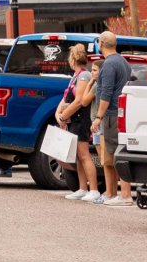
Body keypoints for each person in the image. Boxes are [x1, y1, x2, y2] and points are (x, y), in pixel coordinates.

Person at [56, 45, 101, 203]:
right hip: (74, 120)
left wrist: (63, 116)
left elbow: (78, 102)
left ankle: (94, 189)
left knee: (84, 154)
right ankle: (82, 188)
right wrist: (59, 114)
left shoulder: (84, 76)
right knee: (78, 155)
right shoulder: (75, 76)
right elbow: (65, 99)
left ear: (73, 59)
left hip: (81, 119)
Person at [93, 31, 133, 207]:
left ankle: (125, 195)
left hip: (111, 114)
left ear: (101, 43)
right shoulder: (123, 62)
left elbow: (106, 93)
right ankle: (112, 193)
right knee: (114, 154)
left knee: (117, 154)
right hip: (121, 113)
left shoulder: (109, 64)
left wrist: (98, 117)